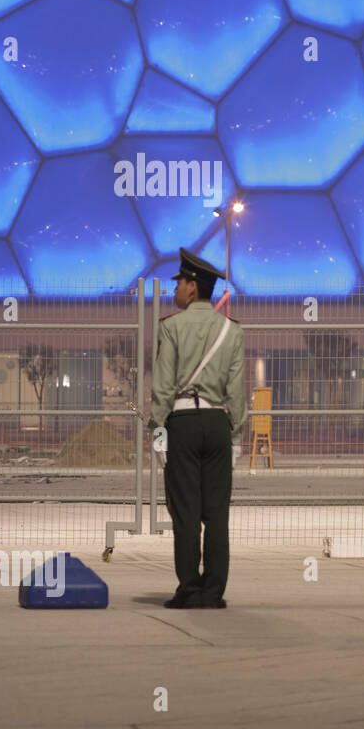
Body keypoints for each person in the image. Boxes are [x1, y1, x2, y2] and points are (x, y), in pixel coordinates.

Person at [150, 248, 245, 609]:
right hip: (219, 425)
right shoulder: (231, 332)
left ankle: (189, 590)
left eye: (179, 283)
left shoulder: (171, 328)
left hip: (183, 424)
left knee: (186, 512)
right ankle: (213, 593)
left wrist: (158, 434)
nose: (175, 291)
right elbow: (236, 390)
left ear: (192, 287)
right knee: (217, 513)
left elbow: (162, 387)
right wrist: (235, 437)